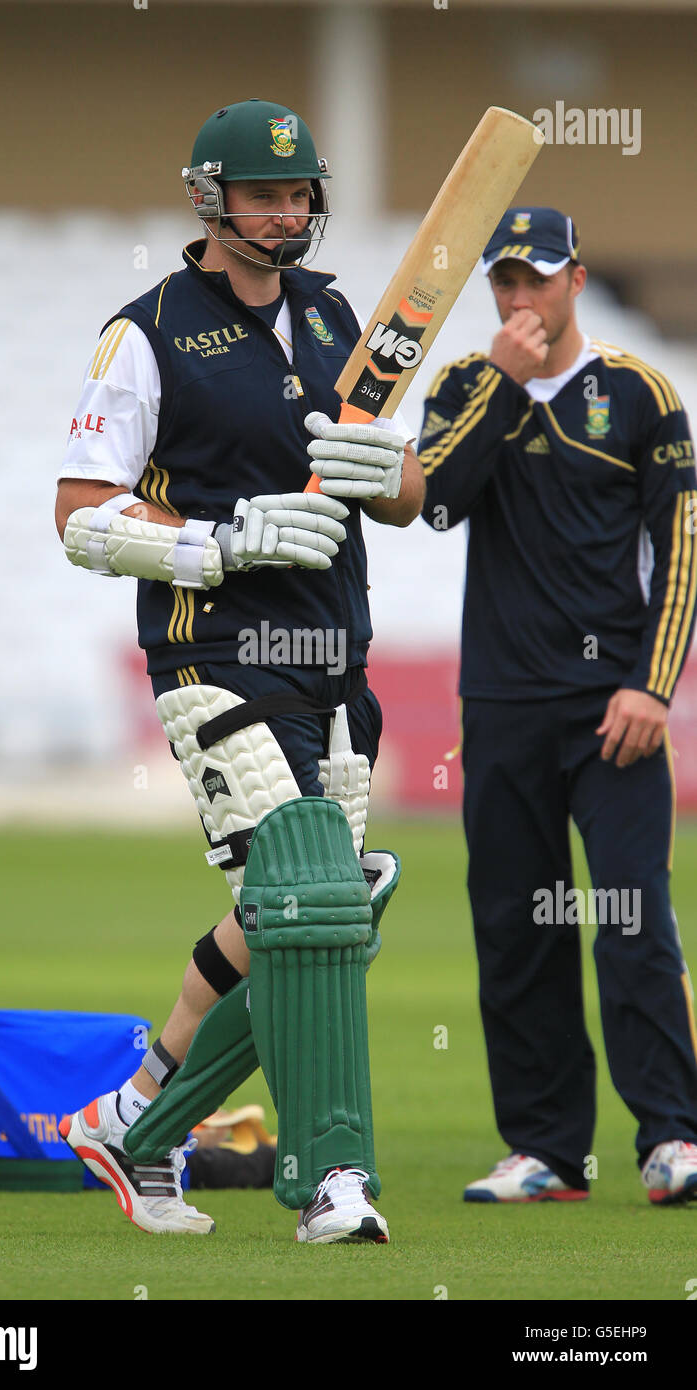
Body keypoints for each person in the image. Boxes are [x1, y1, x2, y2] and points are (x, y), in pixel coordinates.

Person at [54, 98, 424, 1242]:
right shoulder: (146, 331)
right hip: (210, 650)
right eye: (261, 195)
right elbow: (75, 515)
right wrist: (217, 540)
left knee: (326, 906)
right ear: (209, 200)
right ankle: (330, 1177)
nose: (283, 213)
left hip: (332, 647)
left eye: (297, 193)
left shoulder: (332, 314)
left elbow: (406, 497)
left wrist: (382, 471)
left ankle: (136, 1120)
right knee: (309, 900)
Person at [419, 206, 697, 1205]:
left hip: (612, 710)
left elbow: (682, 551)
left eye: (534, 278)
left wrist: (651, 684)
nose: (517, 296)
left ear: (577, 279)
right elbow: (437, 500)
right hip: (498, 703)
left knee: (631, 922)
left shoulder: (639, 392)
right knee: (513, 928)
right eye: (503, 279)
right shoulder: (462, 384)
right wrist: (499, 376)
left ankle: (673, 1136)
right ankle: (546, 1151)